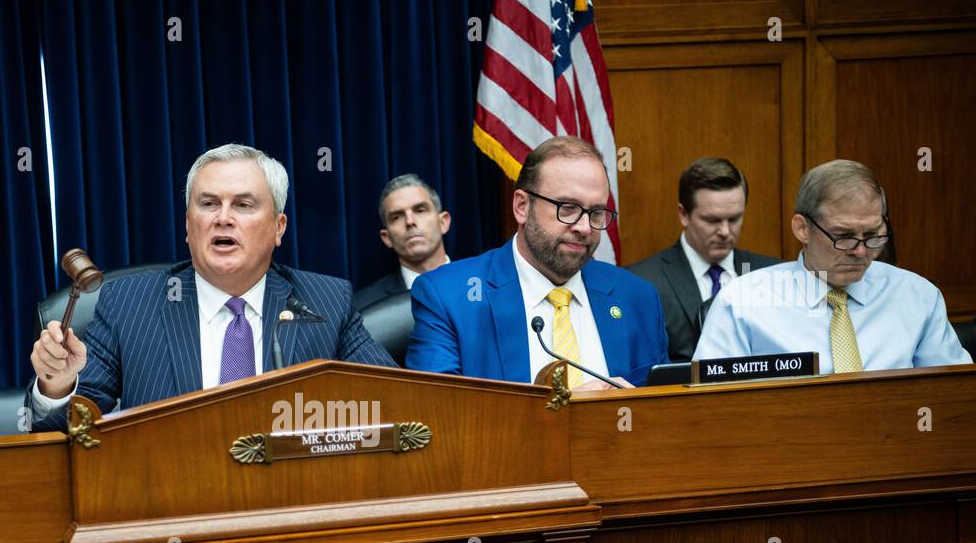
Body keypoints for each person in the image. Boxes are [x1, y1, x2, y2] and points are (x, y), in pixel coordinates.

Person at [28, 144, 394, 428]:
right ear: (188, 225)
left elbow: (393, 401)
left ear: (278, 227)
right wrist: (57, 388)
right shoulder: (128, 304)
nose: (223, 218)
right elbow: (73, 427)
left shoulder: (324, 302)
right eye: (208, 204)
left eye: (244, 205)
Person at [407, 136, 668, 389]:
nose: (585, 227)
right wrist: (556, 414)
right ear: (522, 206)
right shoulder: (449, 297)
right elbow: (440, 419)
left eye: (597, 212)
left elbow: (667, 412)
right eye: (567, 208)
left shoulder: (638, 298)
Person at [694, 159, 971, 371]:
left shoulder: (917, 296)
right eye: (843, 236)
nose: (861, 251)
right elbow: (713, 407)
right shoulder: (743, 302)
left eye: (873, 235)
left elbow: (952, 398)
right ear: (802, 229)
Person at [625, 158, 779, 361]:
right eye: (712, 220)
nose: (725, 231)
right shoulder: (641, 282)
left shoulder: (772, 276)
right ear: (684, 214)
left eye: (734, 219)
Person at [353, 174, 451, 311]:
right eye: (397, 217)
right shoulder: (362, 307)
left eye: (420, 210)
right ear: (386, 238)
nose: (410, 222)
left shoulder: (484, 284)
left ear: (443, 222)